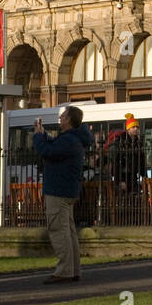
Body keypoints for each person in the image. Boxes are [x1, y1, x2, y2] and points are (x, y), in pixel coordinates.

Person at [33, 106, 94, 285]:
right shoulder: (73, 139)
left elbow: (47, 151)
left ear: (68, 120)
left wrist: (37, 136)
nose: (60, 119)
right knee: (68, 231)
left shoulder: (69, 140)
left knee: (58, 230)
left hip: (58, 190)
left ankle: (64, 270)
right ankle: (73, 269)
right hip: (68, 190)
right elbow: (53, 145)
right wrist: (43, 134)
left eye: (63, 116)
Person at [108, 115, 147, 222]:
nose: (136, 129)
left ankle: (133, 220)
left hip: (133, 175)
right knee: (123, 199)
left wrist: (145, 176)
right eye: (133, 127)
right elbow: (116, 163)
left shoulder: (138, 142)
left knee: (134, 197)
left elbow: (141, 160)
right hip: (123, 175)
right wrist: (120, 180)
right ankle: (122, 221)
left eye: (137, 127)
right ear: (128, 128)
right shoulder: (122, 141)